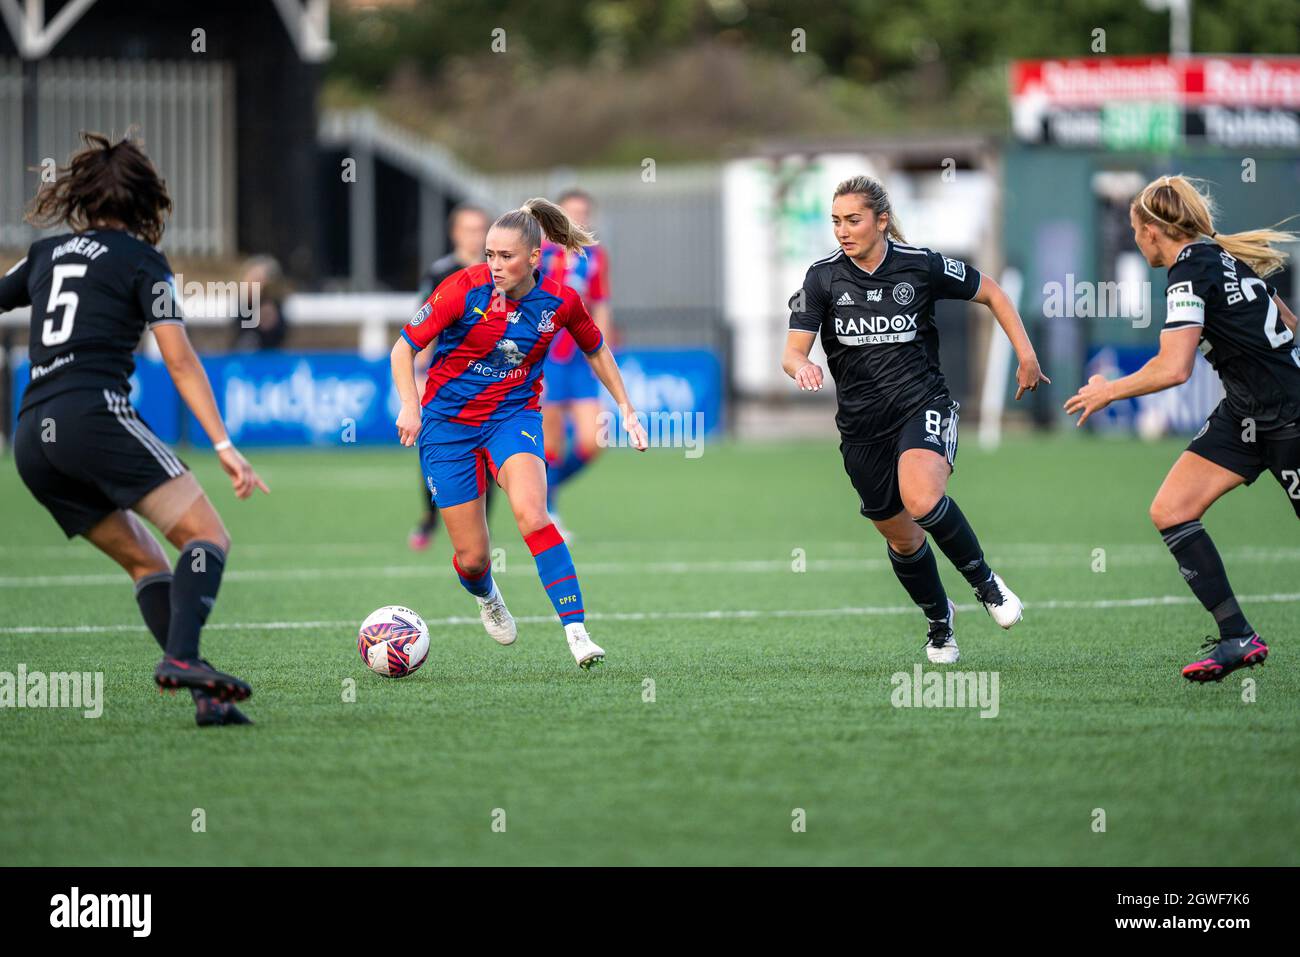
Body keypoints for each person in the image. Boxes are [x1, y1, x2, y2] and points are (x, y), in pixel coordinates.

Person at [0, 132, 269, 724]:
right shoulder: (144, 262)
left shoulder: (45, 255)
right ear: (147, 201)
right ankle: (181, 660)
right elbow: (179, 359)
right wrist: (223, 444)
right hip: (93, 418)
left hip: (31, 437)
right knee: (208, 539)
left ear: (83, 198)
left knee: (148, 563)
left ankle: (204, 696)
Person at [783, 175, 1049, 664]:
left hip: (922, 403)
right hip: (862, 429)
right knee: (903, 539)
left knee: (922, 498)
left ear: (882, 221)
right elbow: (792, 353)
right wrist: (804, 366)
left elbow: (991, 292)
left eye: (854, 220)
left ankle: (986, 583)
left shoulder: (921, 265)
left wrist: (1026, 354)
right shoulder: (821, 278)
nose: (843, 230)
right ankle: (939, 620)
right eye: (836, 221)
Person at [391, 198, 648, 669]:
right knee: (471, 558)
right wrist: (410, 405)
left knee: (533, 515)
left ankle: (577, 633)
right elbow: (403, 348)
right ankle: (487, 594)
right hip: (448, 428)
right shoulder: (460, 289)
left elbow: (596, 349)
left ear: (534, 257)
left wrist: (626, 407)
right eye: (489, 254)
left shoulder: (559, 301)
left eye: (505, 257)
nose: (494, 265)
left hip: (513, 418)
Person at [1065, 174, 1299, 682]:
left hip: (1289, 415)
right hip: (1246, 413)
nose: (1133, 238)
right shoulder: (1222, 258)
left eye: (1134, 228)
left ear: (1153, 229)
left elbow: (1175, 368)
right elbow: (1288, 321)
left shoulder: (1191, 270)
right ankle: (1238, 636)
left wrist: (1109, 391)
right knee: (1171, 510)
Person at [409, 203, 492, 550]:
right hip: (447, 382)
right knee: (439, 453)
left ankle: (480, 528)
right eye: (468, 229)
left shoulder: (498, 273)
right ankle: (429, 519)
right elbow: (422, 326)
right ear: (455, 233)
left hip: (491, 381)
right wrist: (418, 375)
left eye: (480, 229)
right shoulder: (441, 272)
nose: (475, 236)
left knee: (489, 458)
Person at [539, 189, 613, 537]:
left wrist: (604, 350)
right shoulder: (538, 254)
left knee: (593, 442)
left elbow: (601, 304)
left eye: (582, 212)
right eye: (569, 213)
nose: (576, 219)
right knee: (550, 442)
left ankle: (545, 492)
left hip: (580, 360)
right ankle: (549, 511)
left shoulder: (595, 256)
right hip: (547, 358)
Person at [229, 254, 289, 352]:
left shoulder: (271, 307)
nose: (249, 283)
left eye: (257, 280)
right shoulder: (242, 305)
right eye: (249, 277)